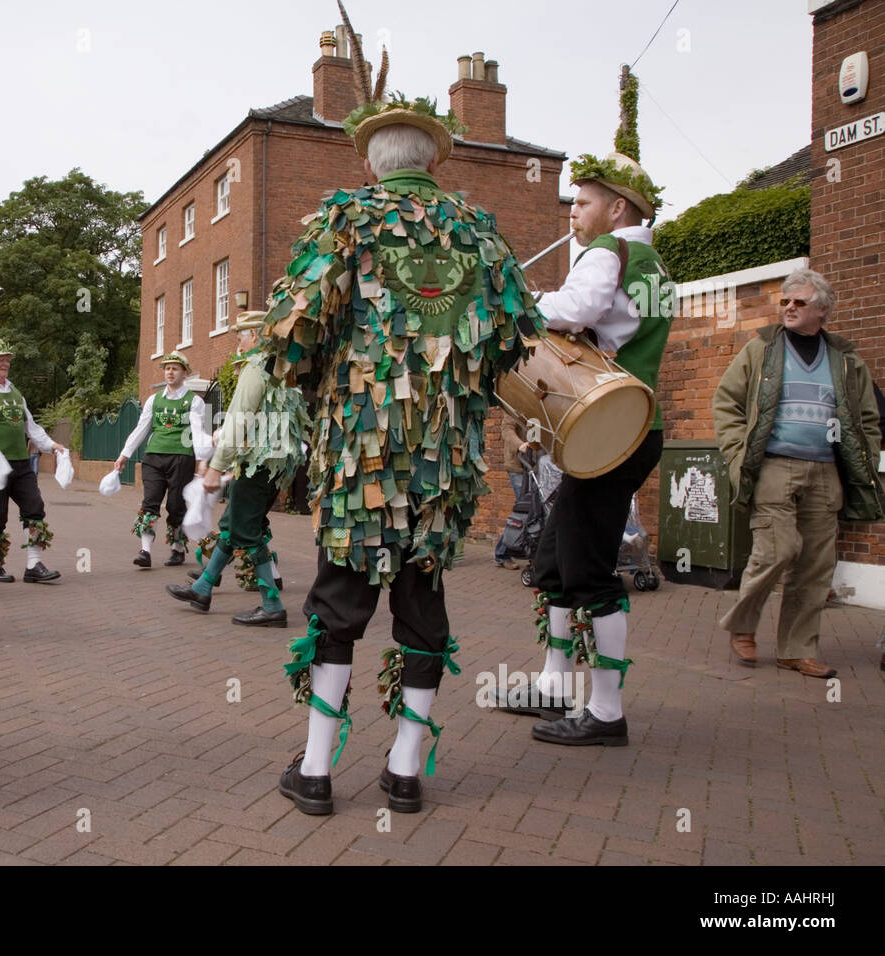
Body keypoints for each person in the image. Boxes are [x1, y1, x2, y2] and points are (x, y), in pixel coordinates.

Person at [262, 15, 537, 816]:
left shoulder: (346, 219)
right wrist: (461, 383)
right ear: (431, 164)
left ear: (374, 163)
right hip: (443, 458)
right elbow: (517, 336)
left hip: (361, 448)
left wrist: (319, 382)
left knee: (341, 599)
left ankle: (315, 771)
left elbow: (295, 332)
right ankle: (407, 771)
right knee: (422, 597)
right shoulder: (481, 233)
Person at [491, 147, 672, 748]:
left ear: (617, 207)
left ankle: (606, 711)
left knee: (590, 571)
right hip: (626, 428)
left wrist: (525, 304)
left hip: (611, 432)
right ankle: (554, 681)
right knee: (553, 560)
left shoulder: (608, 251)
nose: (574, 210)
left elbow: (577, 310)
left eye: (584, 200)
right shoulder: (652, 263)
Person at [714, 268, 883, 677]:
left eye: (800, 302)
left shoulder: (846, 360)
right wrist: (739, 456)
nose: (789, 308)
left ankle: (797, 649)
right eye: (786, 301)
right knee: (778, 549)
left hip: (827, 472)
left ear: (822, 310)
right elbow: (726, 404)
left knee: (815, 565)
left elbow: (867, 418)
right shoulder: (760, 351)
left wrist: (864, 456)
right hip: (773, 465)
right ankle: (742, 624)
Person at [169, 312, 306, 626]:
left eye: (241, 336)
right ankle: (203, 588)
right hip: (272, 465)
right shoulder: (282, 370)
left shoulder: (255, 369)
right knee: (234, 523)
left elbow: (239, 421)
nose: (237, 343)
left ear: (255, 337)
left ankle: (272, 606)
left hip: (256, 466)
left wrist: (217, 466)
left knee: (247, 532)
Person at [0, 338, 65, 584]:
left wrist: (51, 445)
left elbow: (32, 427)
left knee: (35, 508)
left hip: (21, 463)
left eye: (7, 359)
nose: (5, 362)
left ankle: (34, 565)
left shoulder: (15, 393)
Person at [113, 353, 213, 568]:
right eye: (167, 368)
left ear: (184, 373)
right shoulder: (154, 399)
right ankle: (145, 551)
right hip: (154, 456)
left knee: (176, 505)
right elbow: (141, 428)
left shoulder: (194, 401)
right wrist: (124, 454)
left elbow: (198, 431)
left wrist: (203, 460)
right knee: (150, 501)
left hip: (181, 457)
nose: (170, 372)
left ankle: (177, 549)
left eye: (175, 368)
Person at [493, 417, 534, 569]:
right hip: (518, 466)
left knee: (533, 511)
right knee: (523, 511)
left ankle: (508, 552)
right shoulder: (513, 405)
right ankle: (502, 554)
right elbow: (507, 430)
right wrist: (520, 445)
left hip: (534, 465)